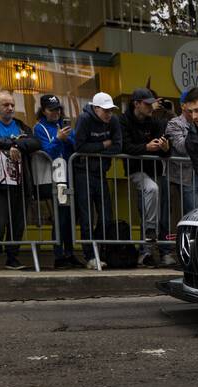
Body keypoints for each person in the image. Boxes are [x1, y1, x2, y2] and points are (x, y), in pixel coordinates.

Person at [0, 89, 39, 270]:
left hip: (20, 182)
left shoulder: (21, 125)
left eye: (12, 105)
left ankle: (13, 257)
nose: (10, 108)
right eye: (6, 105)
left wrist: (16, 145)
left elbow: (35, 143)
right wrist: (9, 144)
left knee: (18, 222)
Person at [122, 87, 175, 266]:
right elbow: (125, 147)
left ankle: (153, 251)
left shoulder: (156, 121)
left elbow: (166, 152)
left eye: (152, 103)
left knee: (161, 210)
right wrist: (146, 147)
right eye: (147, 104)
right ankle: (148, 240)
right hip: (137, 170)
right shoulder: (123, 120)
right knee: (150, 192)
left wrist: (165, 148)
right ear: (136, 104)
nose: (151, 107)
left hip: (156, 171)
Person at [72, 91, 123, 270]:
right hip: (82, 173)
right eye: (105, 110)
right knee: (86, 217)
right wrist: (103, 145)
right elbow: (79, 146)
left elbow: (118, 146)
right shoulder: (84, 119)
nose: (109, 114)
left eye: (111, 110)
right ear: (95, 108)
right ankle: (89, 255)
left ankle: (98, 251)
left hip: (100, 172)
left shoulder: (114, 121)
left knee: (106, 216)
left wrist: (96, 151)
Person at [32, 93, 82, 269]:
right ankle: (59, 255)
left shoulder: (64, 125)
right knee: (60, 216)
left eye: (58, 109)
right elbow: (47, 152)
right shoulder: (39, 128)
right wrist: (59, 140)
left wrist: (67, 138)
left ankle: (69, 252)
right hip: (53, 177)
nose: (56, 113)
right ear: (44, 111)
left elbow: (77, 146)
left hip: (67, 177)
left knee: (69, 216)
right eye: (52, 110)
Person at [164, 97, 198, 222]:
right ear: (183, 106)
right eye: (192, 105)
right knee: (194, 211)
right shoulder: (174, 123)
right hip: (184, 175)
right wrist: (197, 131)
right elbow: (182, 147)